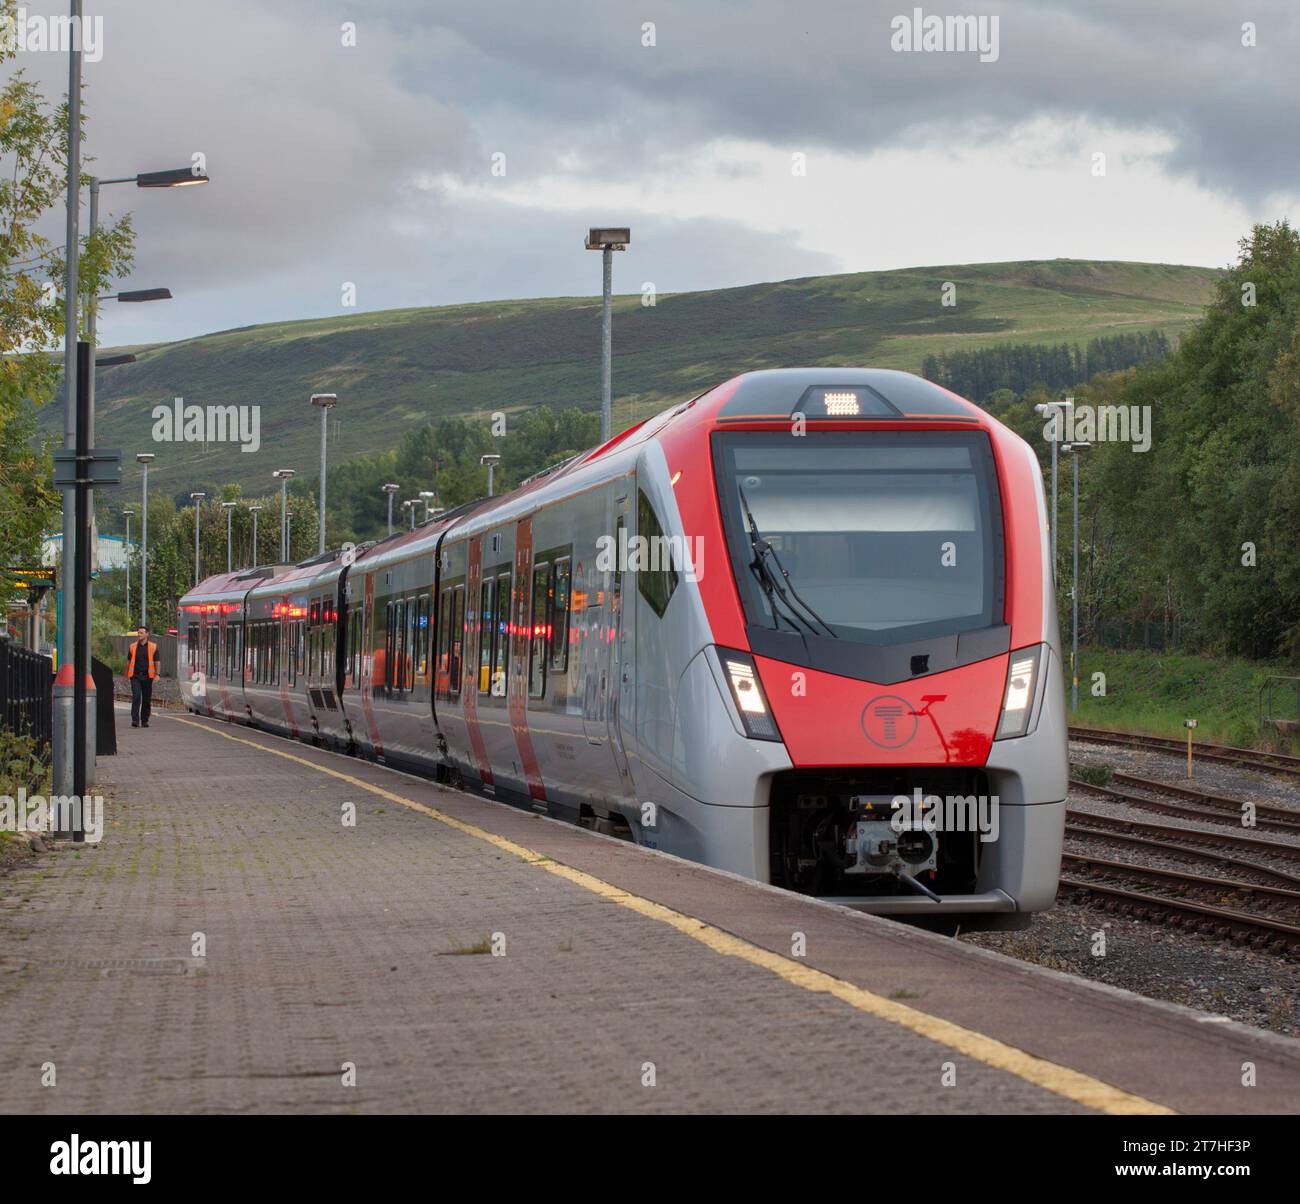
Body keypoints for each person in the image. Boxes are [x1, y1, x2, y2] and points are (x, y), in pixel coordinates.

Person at [126, 625, 158, 728]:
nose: (139, 634)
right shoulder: (132, 646)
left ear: (147, 634)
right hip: (135, 676)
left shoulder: (153, 647)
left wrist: (157, 674)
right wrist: (125, 675)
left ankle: (145, 720)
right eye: (138, 633)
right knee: (136, 697)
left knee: (146, 699)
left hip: (148, 677)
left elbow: (157, 662)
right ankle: (135, 720)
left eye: (141, 633)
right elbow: (128, 661)